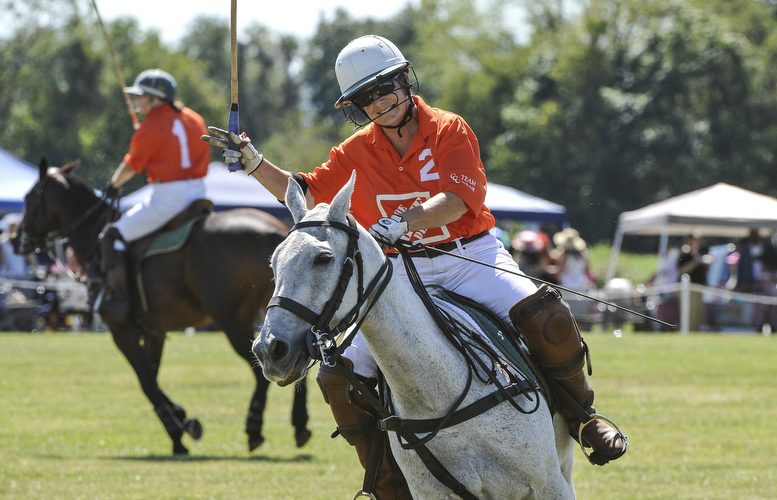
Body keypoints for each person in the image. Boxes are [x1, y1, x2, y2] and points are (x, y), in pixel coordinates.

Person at [203, 35, 626, 496]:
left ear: (405, 80)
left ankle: (583, 418)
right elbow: (305, 192)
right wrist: (253, 162)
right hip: (404, 272)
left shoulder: (449, 129)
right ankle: (385, 480)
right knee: (339, 373)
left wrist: (403, 221)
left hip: (469, 257)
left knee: (543, 315)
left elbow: (459, 199)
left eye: (385, 87)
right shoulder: (355, 152)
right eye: (365, 98)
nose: (379, 102)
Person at [97, 69, 210, 322]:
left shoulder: (150, 127)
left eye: (142, 96)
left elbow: (131, 166)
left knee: (111, 236)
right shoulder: (194, 118)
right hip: (199, 190)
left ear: (157, 99)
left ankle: (121, 300)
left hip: (168, 197)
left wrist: (113, 185)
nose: (137, 100)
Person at [550, 227, 596, 292]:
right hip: (581, 285)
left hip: (566, 285)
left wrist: (545, 270)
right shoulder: (583, 255)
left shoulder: (563, 255)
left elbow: (559, 271)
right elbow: (587, 271)